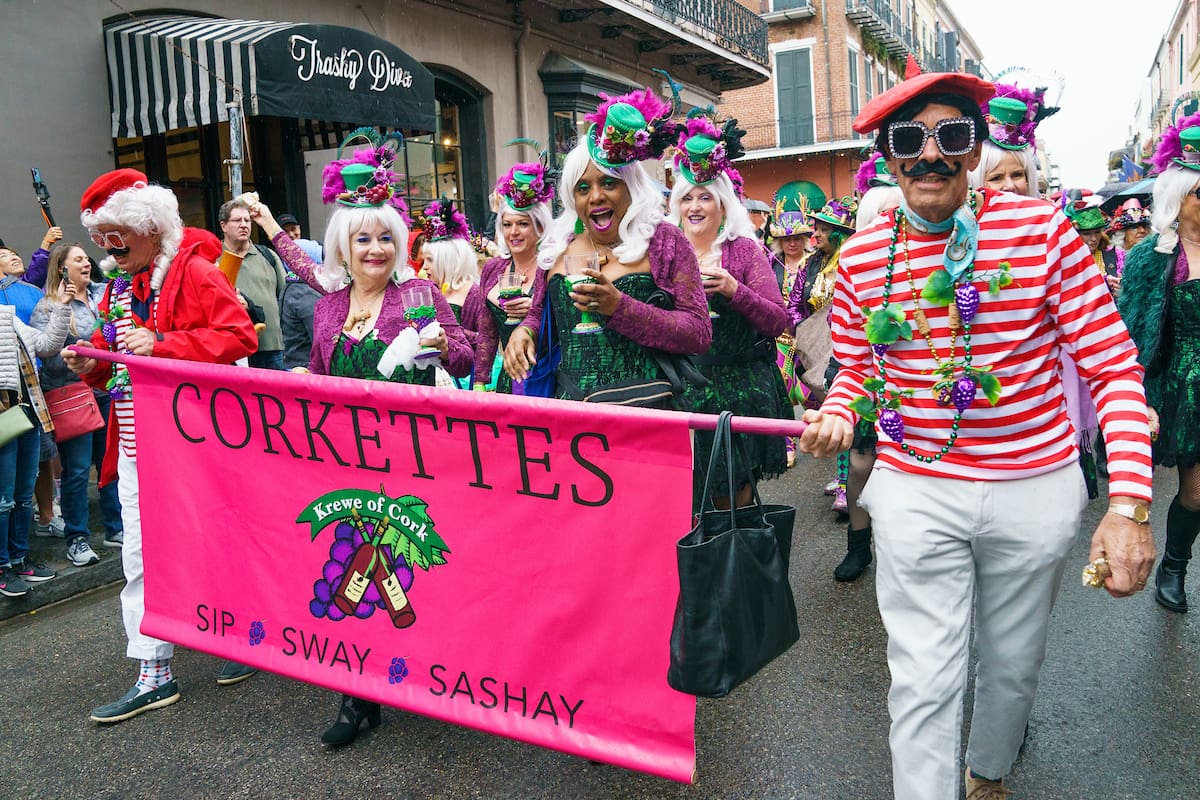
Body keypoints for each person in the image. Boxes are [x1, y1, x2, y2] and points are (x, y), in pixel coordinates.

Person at [798, 71, 1155, 799]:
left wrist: (1128, 509)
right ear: (888, 158)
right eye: (908, 141)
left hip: (1035, 486)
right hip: (917, 487)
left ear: (976, 148)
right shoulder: (863, 259)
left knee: (1013, 662)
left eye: (950, 137)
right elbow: (856, 371)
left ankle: (988, 770)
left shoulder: (1044, 231)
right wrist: (840, 411)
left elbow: (1115, 369)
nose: (929, 157)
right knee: (923, 678)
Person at [245, 133, 471, 746]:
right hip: (340, 462)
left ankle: (425, 677)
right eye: (363, 237)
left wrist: (441, 345)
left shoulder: (418, 295)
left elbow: (469, 354)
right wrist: (303, 380)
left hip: (409, 460)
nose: (375, 248)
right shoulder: (326, 307)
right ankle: (358, 697)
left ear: (400, 241)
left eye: (385, 236)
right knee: (348, 561)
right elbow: (320, 374)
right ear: (345, 242)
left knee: (402, 567)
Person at [63, 168, 258, 723]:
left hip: (193, 443)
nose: (107, 247)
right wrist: (89, 363)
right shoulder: (118, 289)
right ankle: (154, 668)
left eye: (116, 233)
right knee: (139, 552)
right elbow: (112, 359)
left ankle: (239, 637)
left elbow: (240, 335)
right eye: (101, 237)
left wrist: (164, 343)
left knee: (215, 536)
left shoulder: (194, 270)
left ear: (149, 226)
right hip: (135, 443)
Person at [504, 86, 710, 403]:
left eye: (608, 183)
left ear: (630, 187)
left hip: (648, 414)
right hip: (574, 417)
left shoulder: (664, 241)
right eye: (583, 187)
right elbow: (541, 317)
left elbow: (698, 333)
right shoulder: (560, 244)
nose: (596, 196)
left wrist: (620, 308)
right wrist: (525, 333)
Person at [667, 113, 789, 507]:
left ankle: (742, 564)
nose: (695, 206)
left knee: (732, 498)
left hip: (741, 389)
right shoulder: (665, 253)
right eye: (687, 197)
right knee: (688, 501)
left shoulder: (744, 250)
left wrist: (735, 291)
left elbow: (779, 320)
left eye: (705, 196)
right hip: (684, 389)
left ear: (722, 204)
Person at [1119, 112, 1200, 614]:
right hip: (1185, 387)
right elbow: (1130, 332)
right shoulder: (1155, 254)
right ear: (1181, 198)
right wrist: (1135, 398)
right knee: (1196, 494)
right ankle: (1174, 565)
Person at [31, 244, 123, 565]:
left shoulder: (105, 295)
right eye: (79, 259)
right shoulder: (47, 308)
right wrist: (83, 354)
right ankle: (78, 538)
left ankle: (116, 527)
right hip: (73, 397)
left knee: (111, 463)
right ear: (62, 270)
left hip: (110, 392)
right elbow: (49, 359)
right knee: (78, 470)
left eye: (87, 258)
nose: (87, 263)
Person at [0, 275, 71, 597]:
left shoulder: (7, 317)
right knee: (2, 499)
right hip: (4, 417)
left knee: (21, 493)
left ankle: (18, 558)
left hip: (26, 411)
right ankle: (2, 568)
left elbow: (45, 346)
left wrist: (63, 310)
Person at [787, 196, 857, 518]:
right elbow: (797, 302)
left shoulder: (852, 260)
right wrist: (794, 331)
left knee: (843, 411)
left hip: (844, 347)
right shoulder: (811, 263)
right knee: (825, 411)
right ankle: (842, 476)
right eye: (817, 227)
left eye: (824, 228)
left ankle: (847, 484)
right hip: (815, 347)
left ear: (839, 233)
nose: (816, 233)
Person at [479, 163, 553, 394]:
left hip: (547, 377)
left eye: (523, 224)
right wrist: (480, 382)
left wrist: (537, 310)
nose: (514, 232)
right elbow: (487, 332)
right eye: (507, 224)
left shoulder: (550, 266)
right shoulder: (492, 268)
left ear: (540, 227)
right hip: (508, 382)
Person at [417, 199, 488, 389]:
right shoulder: (428, 292)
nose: (425, 267)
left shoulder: (473, 293)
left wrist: (450, 334)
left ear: (446, 260)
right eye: (424, 260)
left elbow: (487, 340)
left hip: (466, 383)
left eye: (430, 260)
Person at [768, 194, 814, 467]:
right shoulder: (770, 264)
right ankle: (787, 441)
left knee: (810, 391)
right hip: (780, 337)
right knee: (783, 389)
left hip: (808, 335)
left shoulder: (816, 263)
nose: (792, 243)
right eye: (787, 239)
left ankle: (814, 433)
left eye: (797, 238)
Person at [218, 200, 289, 369]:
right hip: (234, 350)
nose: (244, 225)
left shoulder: (267, 255)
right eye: (237, 221)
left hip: (273, 347)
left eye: (247, 220)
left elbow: (286, 297)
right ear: (223, 226)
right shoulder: (214, 258)